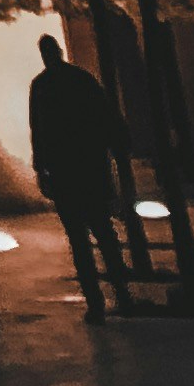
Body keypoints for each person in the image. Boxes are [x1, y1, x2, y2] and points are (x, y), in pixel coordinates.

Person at [29, 33, 137, 321]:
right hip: (86, 168)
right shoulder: (77, 80)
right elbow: (102, 115)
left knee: (85, 238)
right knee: (100, 235)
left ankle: (100, 301)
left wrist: (42, 169)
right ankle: (115, 295)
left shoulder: (44, 86)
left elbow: (38, 132)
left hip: (70, 171)